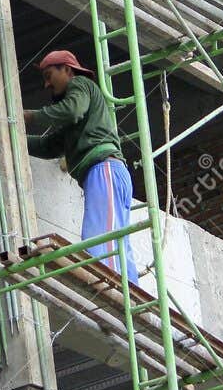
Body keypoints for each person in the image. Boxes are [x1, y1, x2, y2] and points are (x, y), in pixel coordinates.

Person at [24, 49, 138, 285]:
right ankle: (128, 290)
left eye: (49, 75)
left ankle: (110, 288)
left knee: (99, 238)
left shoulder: (80, 85)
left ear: (67, 69)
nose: (46, 84)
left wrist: (30, 117)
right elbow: (50, 146)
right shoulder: (75, 120)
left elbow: (71, 109)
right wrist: (16, 138)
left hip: (104, 170)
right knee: (116, 239)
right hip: (107, 174)